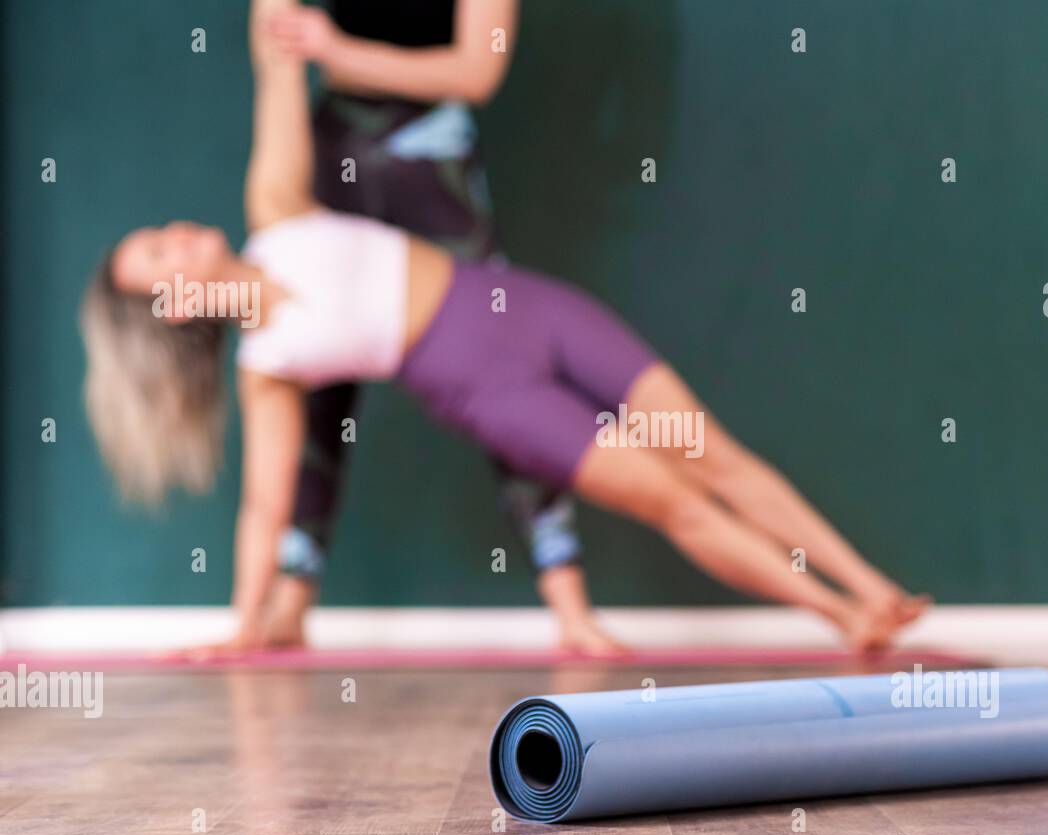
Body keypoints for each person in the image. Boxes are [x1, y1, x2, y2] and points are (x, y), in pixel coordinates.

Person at [81, 0, 929, 654]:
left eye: (158, 234)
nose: (175, 233)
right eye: (159, 254)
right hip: (497, 395)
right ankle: (838, 615)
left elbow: (275, 59)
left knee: (712, 452)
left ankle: (870, 587)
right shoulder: (268, 368)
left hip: (537, 311)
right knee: (675, 499)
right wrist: (244, 623)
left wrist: (285, 29)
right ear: (177, 307)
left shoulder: (276, 206)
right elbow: (264, 509)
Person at [254, 0, 622, 655]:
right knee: (313, 378)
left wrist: (337, 51)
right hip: (334, 151)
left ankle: (569, 601)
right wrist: (277, 197)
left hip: (436, 155)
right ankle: (288, 601)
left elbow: (476, 72)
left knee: (506, 367)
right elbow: (276, 53)